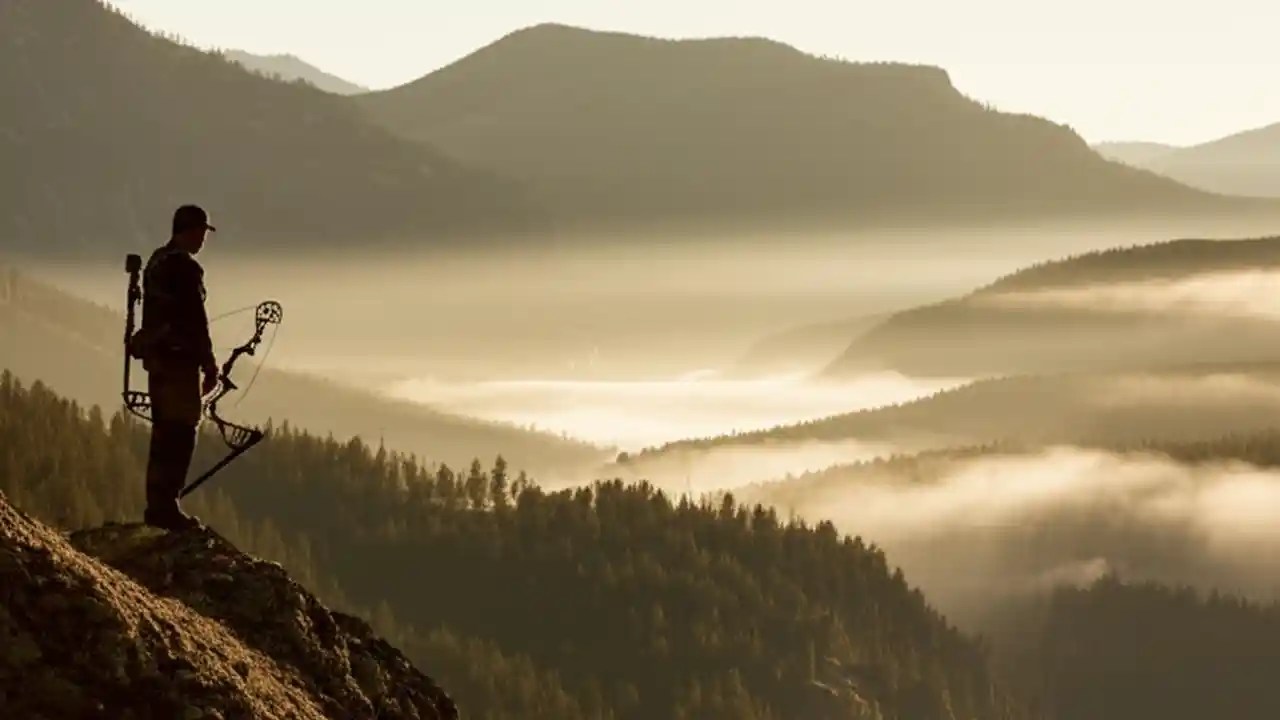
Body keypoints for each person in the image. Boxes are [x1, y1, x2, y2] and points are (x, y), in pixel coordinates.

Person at [136, 204, 219, 531]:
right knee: (182, 430)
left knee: (163, 430)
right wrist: (209, 363)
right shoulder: (185, 268)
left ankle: (158, 503)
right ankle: (166, 507)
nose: (203, 240)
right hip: (180, 361)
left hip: (157, 360)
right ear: (192, 230)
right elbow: (195, 319)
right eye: (202, 232)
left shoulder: (156, 262)